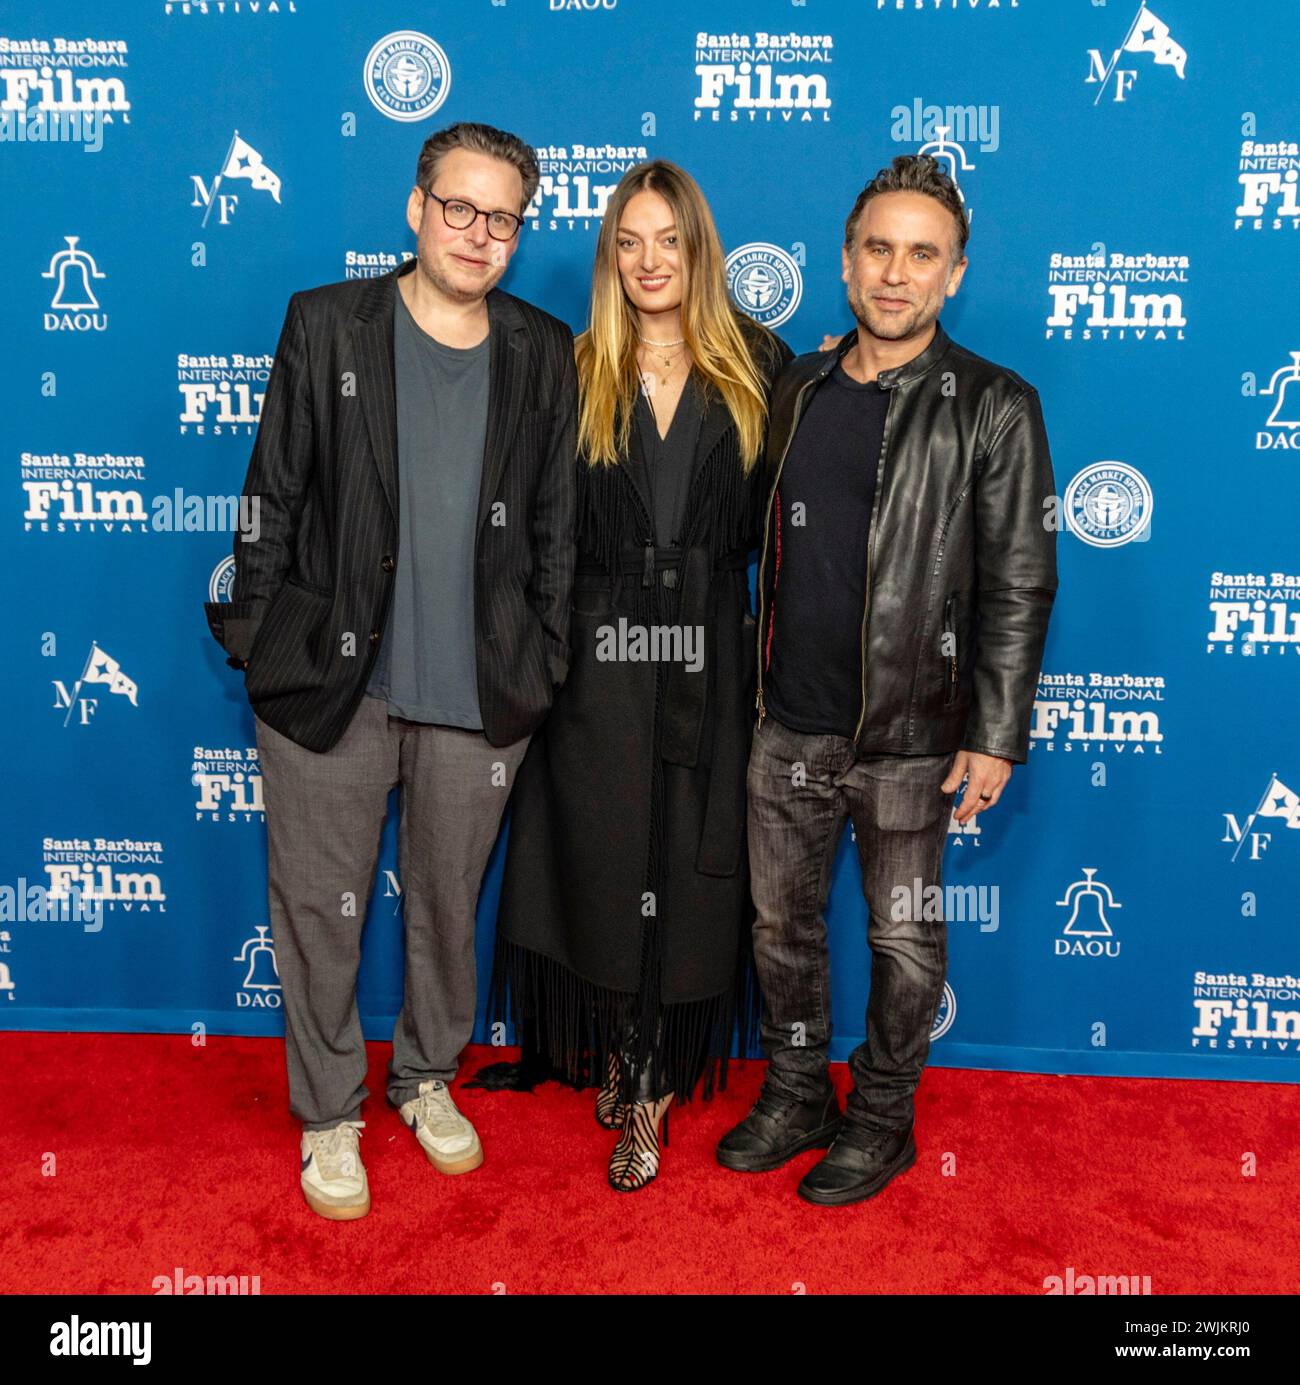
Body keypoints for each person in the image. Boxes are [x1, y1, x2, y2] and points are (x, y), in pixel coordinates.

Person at [202, 121, 577, 1220]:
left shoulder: (543, 347)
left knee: (447, 909)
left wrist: (542, 658)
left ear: (519, 231)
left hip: (482, 691)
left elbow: (555, 527)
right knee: (321, 910)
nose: (478, 233)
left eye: (501, 216)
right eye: (457, 207)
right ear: (416, 209)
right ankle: (329, 1109)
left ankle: (423, 1077)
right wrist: (263, 646)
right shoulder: (327, 324)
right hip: (331, 685)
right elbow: (268, 495)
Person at [716, 153, 1058, 1205]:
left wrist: (994, 731)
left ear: (954, 272)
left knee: (903, 937)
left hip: (915, 735)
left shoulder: (995, 405)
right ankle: (794, 1089)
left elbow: (1019, 580)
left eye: (922, 254)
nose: (895, 274)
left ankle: (881, 1114)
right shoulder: (797, 385)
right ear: (845, 261)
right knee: (781, 929)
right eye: (878, 249)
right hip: (787, 726)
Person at [484, 159, 792, 1191]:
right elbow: (529, 530)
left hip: (709, 654)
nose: (649, 261)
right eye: (629, 241)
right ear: (609, 255)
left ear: (698, 251)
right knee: (611, 863)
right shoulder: (571, 368)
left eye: (669, 240)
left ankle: (655, 1081)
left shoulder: (762, 365)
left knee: (693, 871)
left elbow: (797, 524)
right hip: (598, 662)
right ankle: (621, 1047)